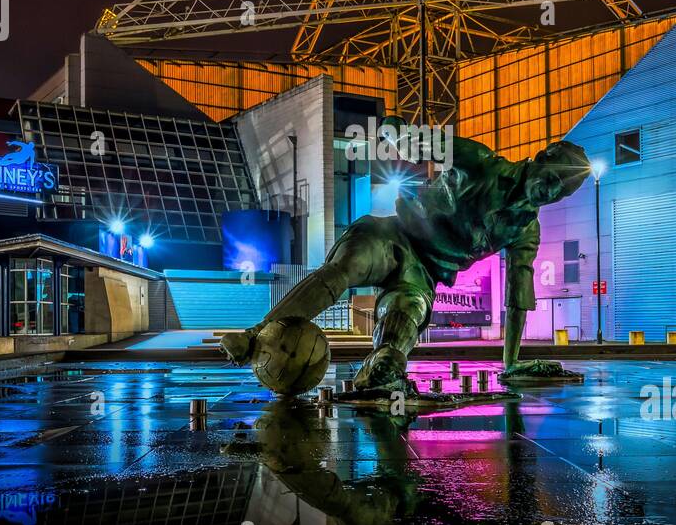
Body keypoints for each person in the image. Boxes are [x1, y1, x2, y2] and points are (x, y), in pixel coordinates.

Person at [221, 120, 591, 392]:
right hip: (393, 235)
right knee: (344, 268)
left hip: (420, 276)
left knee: (398, 338)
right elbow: (417, 141)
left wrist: (511, 365)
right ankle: (254, 336)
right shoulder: (481, 162)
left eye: (560, 191)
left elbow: (518, 299)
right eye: (551, 177)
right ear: (541, 158)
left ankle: (379, 373)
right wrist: (395, 132)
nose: (550, 190)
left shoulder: (526, 231)